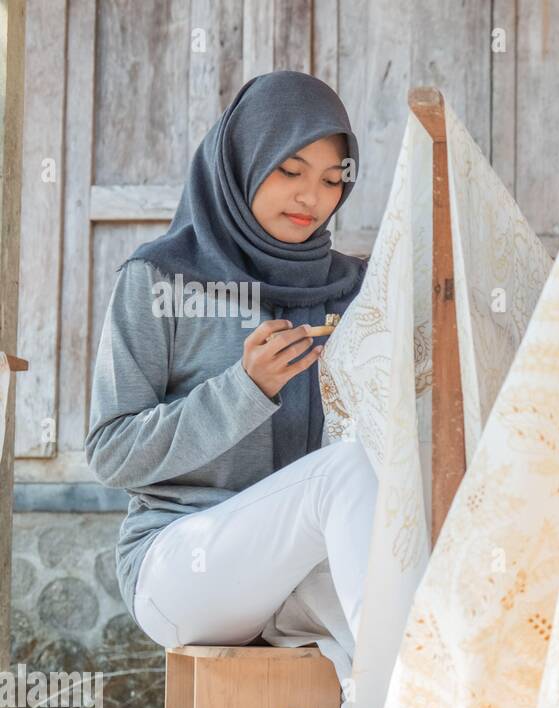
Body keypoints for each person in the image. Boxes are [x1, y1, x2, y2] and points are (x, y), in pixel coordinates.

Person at [86, 70, 377, 664]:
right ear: (241, 162)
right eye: (290, 171)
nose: (311, 198)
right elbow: (111, 451)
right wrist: (243, 390)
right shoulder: (161, 280)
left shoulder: (358, 290)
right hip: (183, 564)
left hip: (305, 574)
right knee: (343, 471)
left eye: (330, 180)